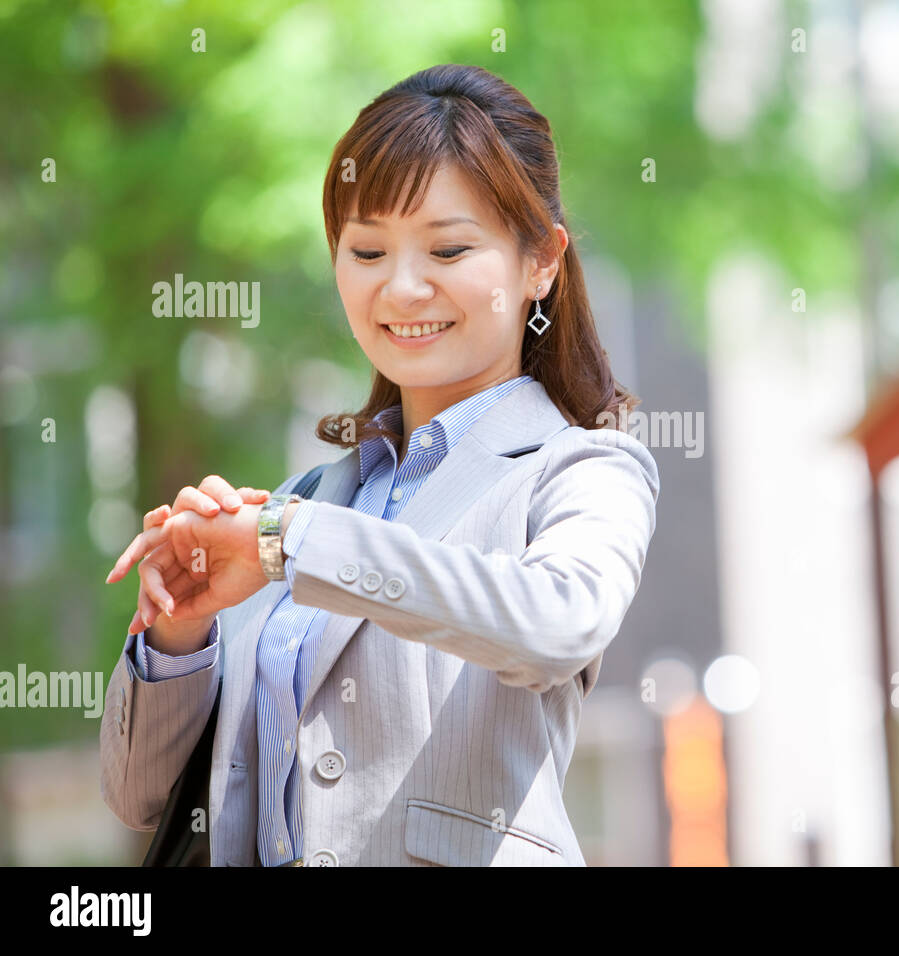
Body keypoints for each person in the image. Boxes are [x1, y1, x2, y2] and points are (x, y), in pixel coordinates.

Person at [100, 63, 659, 867]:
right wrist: (182, 632)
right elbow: (138, 796)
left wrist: (289, 540)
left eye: (448, 247)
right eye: (366, 250)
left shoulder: (583, 468)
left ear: (541, 260)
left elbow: (559, 622)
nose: (401, 288)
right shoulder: (310, 498)